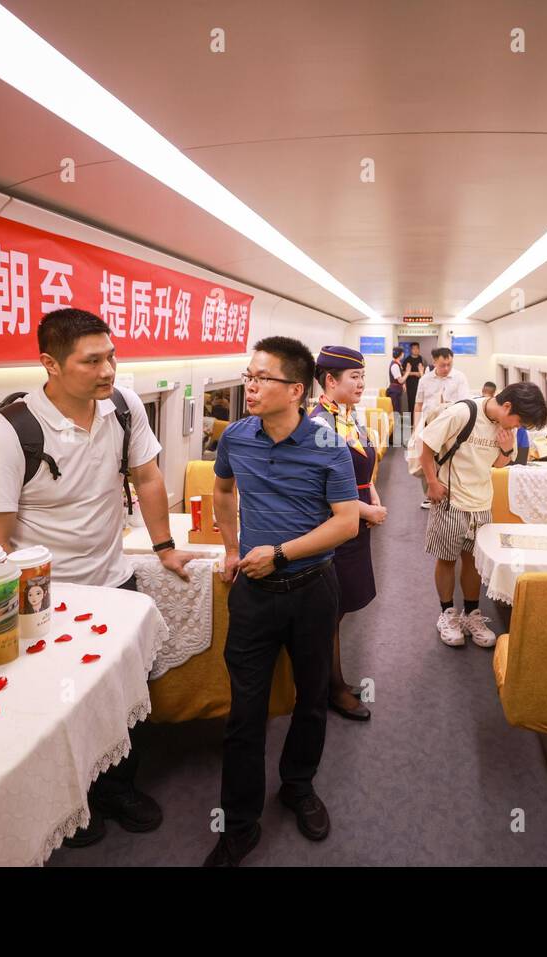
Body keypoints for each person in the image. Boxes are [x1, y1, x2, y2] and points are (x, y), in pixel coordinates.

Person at [0, 307, 191, 849]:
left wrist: (163, 546)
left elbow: (147, 475)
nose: (108, 370)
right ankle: (70, 805)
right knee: (56, 708)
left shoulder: (122, 405)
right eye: (92, 361)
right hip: (45, 597)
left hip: (115, 582)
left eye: (111, 355)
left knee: (126, 691)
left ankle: (118, 788)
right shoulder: (8, 433)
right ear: (50, 363)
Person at [204, 336, 361, 866]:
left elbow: (346, 520)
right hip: (253, 594)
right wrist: (232, 547)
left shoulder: (327, 444)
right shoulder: (236, 437)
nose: (249, 385)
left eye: (262, 378)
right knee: (244, 714)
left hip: (313, 590)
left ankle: (297, 786)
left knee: (311, 698)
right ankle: (240, 824)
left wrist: (282, 553)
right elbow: (221, 492)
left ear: (295, 389)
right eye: (248, 375)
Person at [419, 382, 547, 647]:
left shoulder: (504, 427)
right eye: (519, 421)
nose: (517, 427)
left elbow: (497, 465)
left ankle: (471, 614)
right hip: (451, 500)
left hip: (482, 503)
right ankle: (447, 613)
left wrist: (506, 448)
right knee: (446, 559)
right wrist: (432, 482)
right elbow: (427, 446)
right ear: (507, 406)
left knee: (473, 561)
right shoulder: (463, 413)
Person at [310, 346, 386, 721]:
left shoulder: (347, 418)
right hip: (335, 526)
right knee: (330, 611)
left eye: (362, 377)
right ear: (330, 380)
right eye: (353, 377)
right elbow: (321, 488)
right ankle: (332, 689)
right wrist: (366, 510)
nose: (361, 384)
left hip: (354, 520)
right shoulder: (320, 424)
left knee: (338, 609)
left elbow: (359, 465)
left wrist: (371, 493)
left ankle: (329, 681)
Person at [413, 347, 472, 508]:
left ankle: (450, 494)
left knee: (448, 459)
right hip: (428, 424)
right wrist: (414, 428)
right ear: (434, 363)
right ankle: (429, 494)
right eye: (442, 365)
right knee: (425, 459)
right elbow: (418, 405)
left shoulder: (459, 378)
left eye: (449, 365)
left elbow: (465, 403)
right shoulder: (425, 380)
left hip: (451, 426)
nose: (446, 368)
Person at [401, 342, 427, 429]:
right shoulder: (407, 360)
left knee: (421, 403)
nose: (415, 350)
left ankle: (420, 422)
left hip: (421, 386)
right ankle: (412, 423)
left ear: (419, 349)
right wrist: (415, 373)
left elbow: (425, 372)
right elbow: (404, 372)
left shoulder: (422, 359)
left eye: (417, 348)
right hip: (410, 385)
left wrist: (419, 373)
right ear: (411, 350)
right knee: (411, 403)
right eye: (414, 348)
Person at [387, 347, 407, 438]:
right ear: (401, 354)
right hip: (394, 392)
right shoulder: (395, 365)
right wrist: (408, 372)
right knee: (396, 413)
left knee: (397, 412)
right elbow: (400, 380)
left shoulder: (398, 364)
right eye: (403, 353)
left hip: (396, 392)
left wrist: (403, 385)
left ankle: (396, 435)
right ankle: (394, 437)